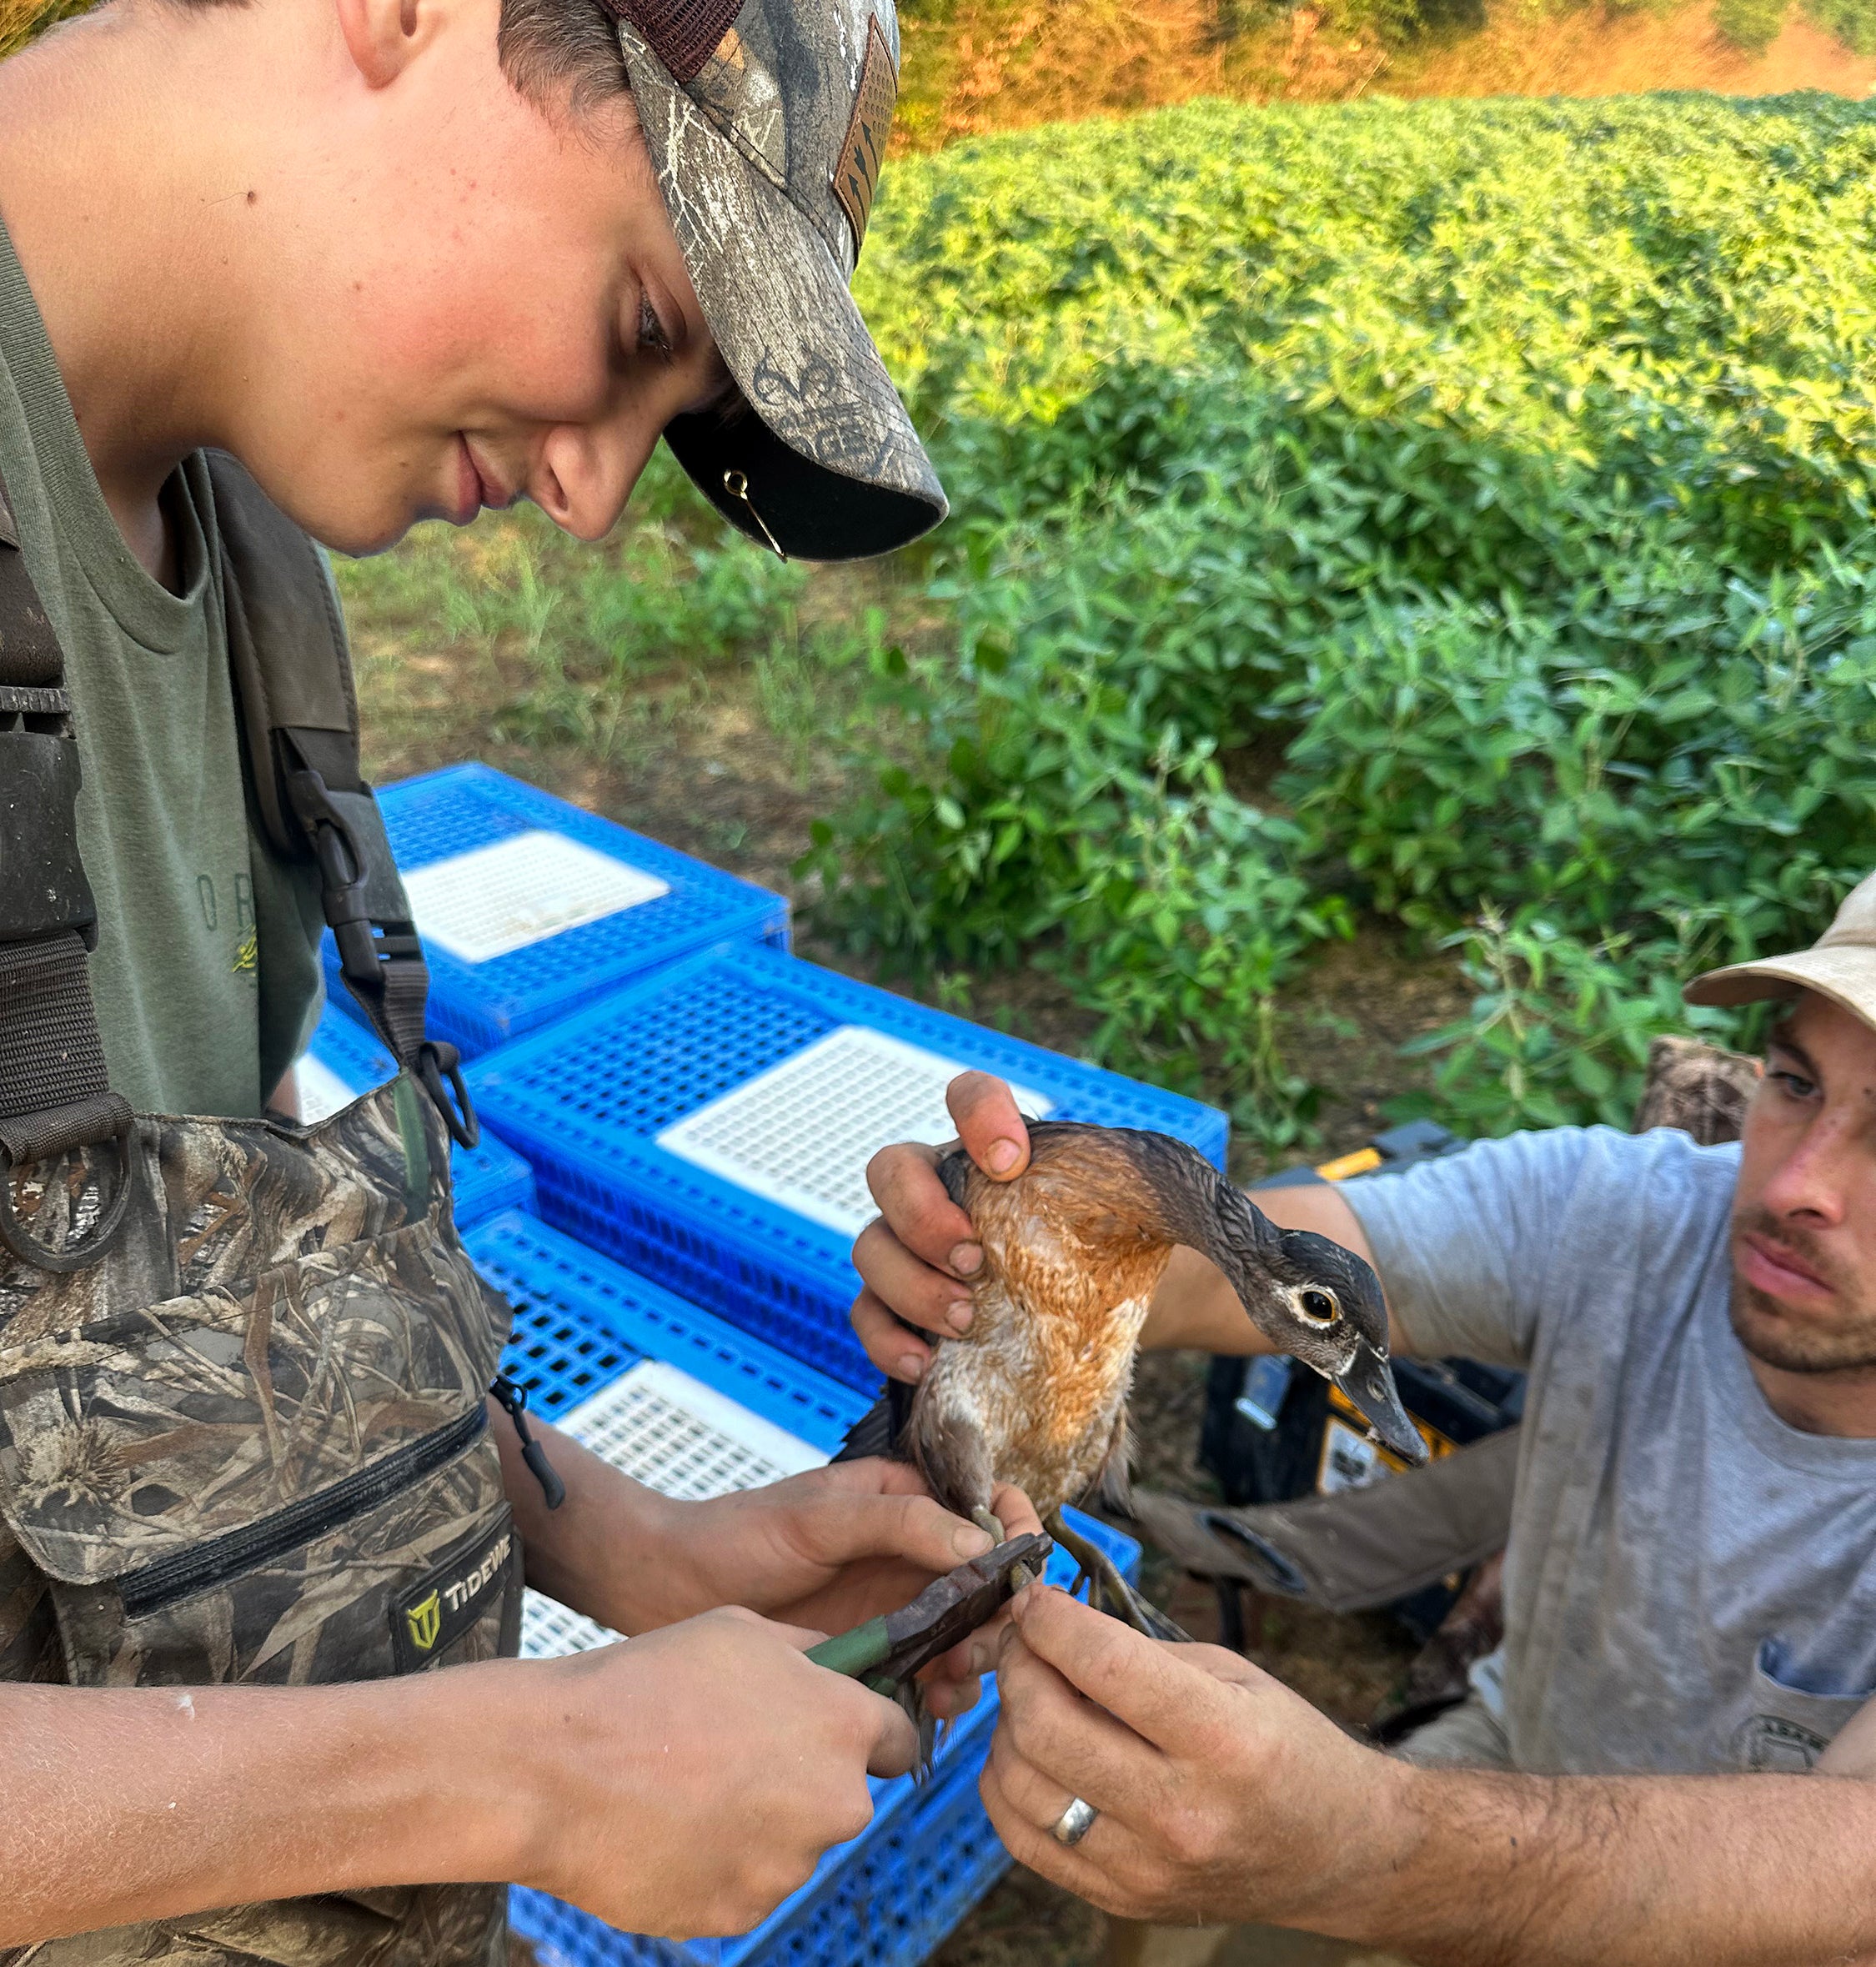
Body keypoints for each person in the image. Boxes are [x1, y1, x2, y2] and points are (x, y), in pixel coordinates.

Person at [0, 0, 1037, 1958]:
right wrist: (512, 1770)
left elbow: (148, 1307)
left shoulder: (234, 561)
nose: (591, 495)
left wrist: (626, 1550)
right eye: (646, 326)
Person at [854, 875, 1876, 1959]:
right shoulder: (1637, 1212)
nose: (1797, 1185)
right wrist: (1018, 1247)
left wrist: (1369, 1848)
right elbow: (1226, 1274)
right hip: (1500, 1762)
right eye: (1797, 1082)